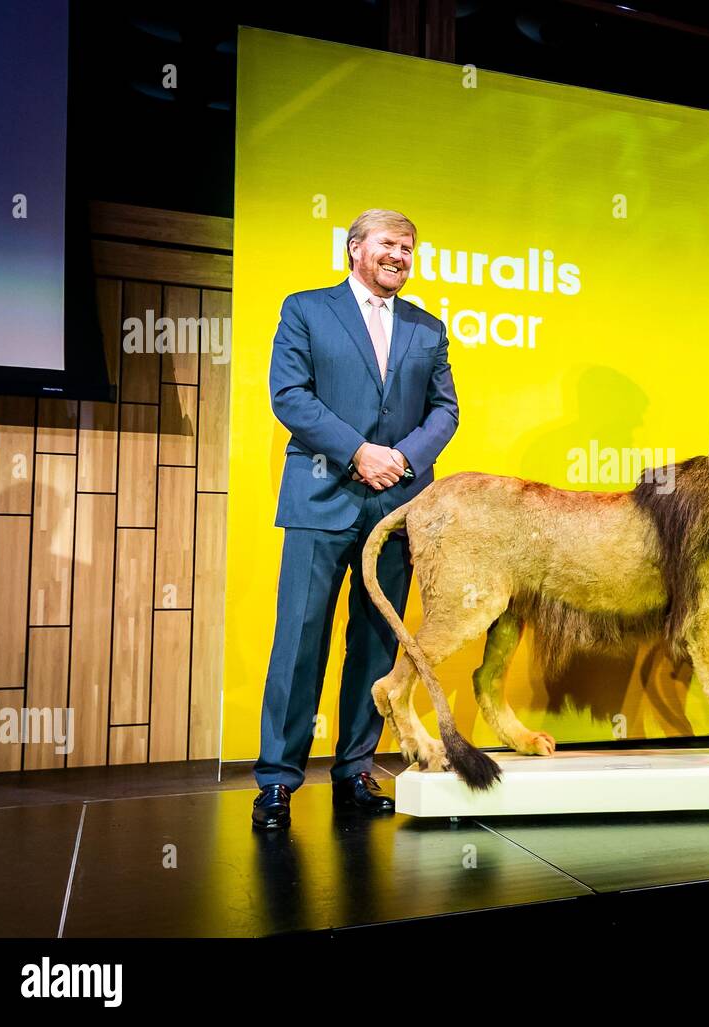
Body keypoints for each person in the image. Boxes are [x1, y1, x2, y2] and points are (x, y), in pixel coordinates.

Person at [251, 208, 459, 829]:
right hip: (320, 500)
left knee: (375, 641)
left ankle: (355, 770)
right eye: (389, 244)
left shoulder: (429, 328)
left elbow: (445, 411)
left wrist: (401, 459)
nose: (400, 255)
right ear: (355, 249)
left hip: (395, 508)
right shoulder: (306, 309)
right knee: (299, 641)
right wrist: (357, 452)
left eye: (409, 248)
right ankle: (277, 781)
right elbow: (289, 395)